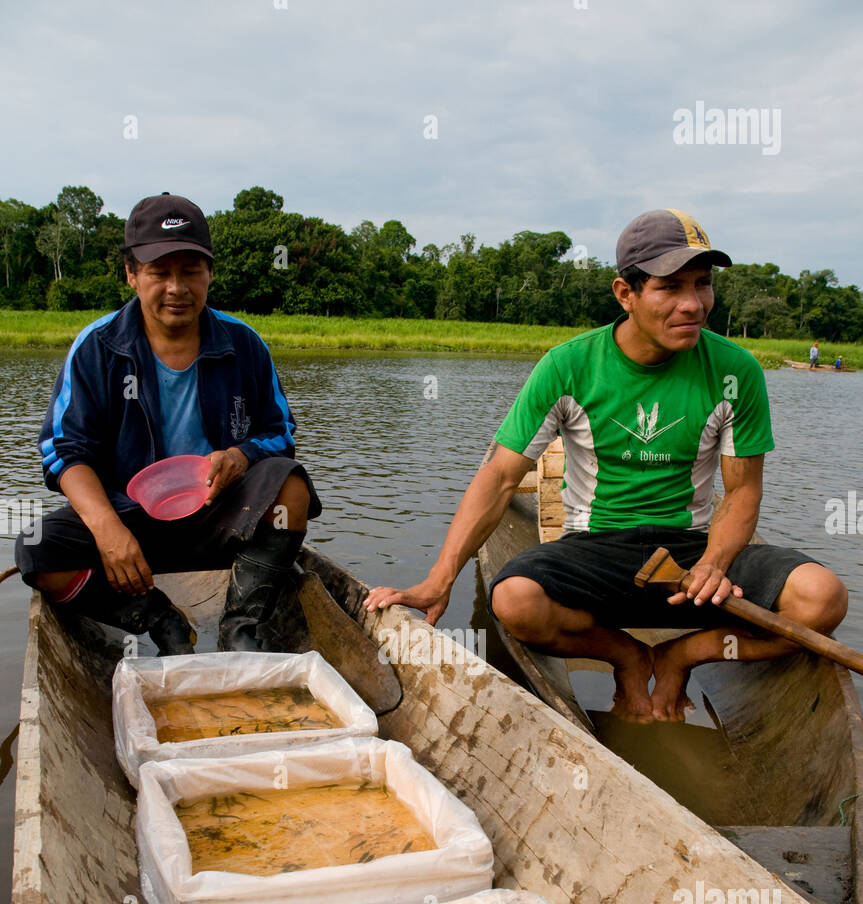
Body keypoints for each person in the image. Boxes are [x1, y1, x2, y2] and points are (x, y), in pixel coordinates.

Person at [364, 208, 847, 722]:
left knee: (822, 600)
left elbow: (743, 491)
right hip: (597, 550)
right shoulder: (568, 366)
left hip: (689, 553)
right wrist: (440, 579)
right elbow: (501, 477)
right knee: (515, 600)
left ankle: (685, 652)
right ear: (625, 294)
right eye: (671, 287)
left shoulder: (736, 371)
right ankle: (625, 653)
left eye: (703, 285)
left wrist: (714, 564)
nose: (693, 304)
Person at [15, 192, 321, 654]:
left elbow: (279, 434)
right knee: (37, 552)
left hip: (221, 517)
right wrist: (108, 531)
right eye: (160, 272)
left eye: (190, 271)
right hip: (131, 522)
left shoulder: (244, 343)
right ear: (132, 275)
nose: (176, 288)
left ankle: (241, 628)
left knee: (290, 485)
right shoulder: (98, 347)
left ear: (210, 275)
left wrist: (240, 456)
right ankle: (160, 618)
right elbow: (63, 452)